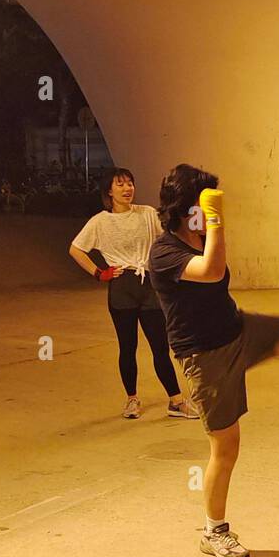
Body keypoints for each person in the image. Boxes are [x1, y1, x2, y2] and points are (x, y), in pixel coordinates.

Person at [148, 164, 279, 557]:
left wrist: (210, 224)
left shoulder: (200, 238)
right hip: (204, 357)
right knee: (226, 447)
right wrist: (216, 220)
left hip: (237, 330)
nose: (210, 213)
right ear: (187, 207)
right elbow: (212, 271)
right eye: (204, 204)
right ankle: (214, 531)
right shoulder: (165, 251)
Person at [67, 168, 198, 420]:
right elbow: (75, 249)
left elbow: (169, 237)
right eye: (120, 185)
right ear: (109, 191)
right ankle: (132, 400)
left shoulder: (147, 213)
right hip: (122, 286)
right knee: (127, 347)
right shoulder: (100, 221)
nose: (127, 189)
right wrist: (98, 273)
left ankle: (176, 401)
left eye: (130, 183)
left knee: (160, 347)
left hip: (149, 283)